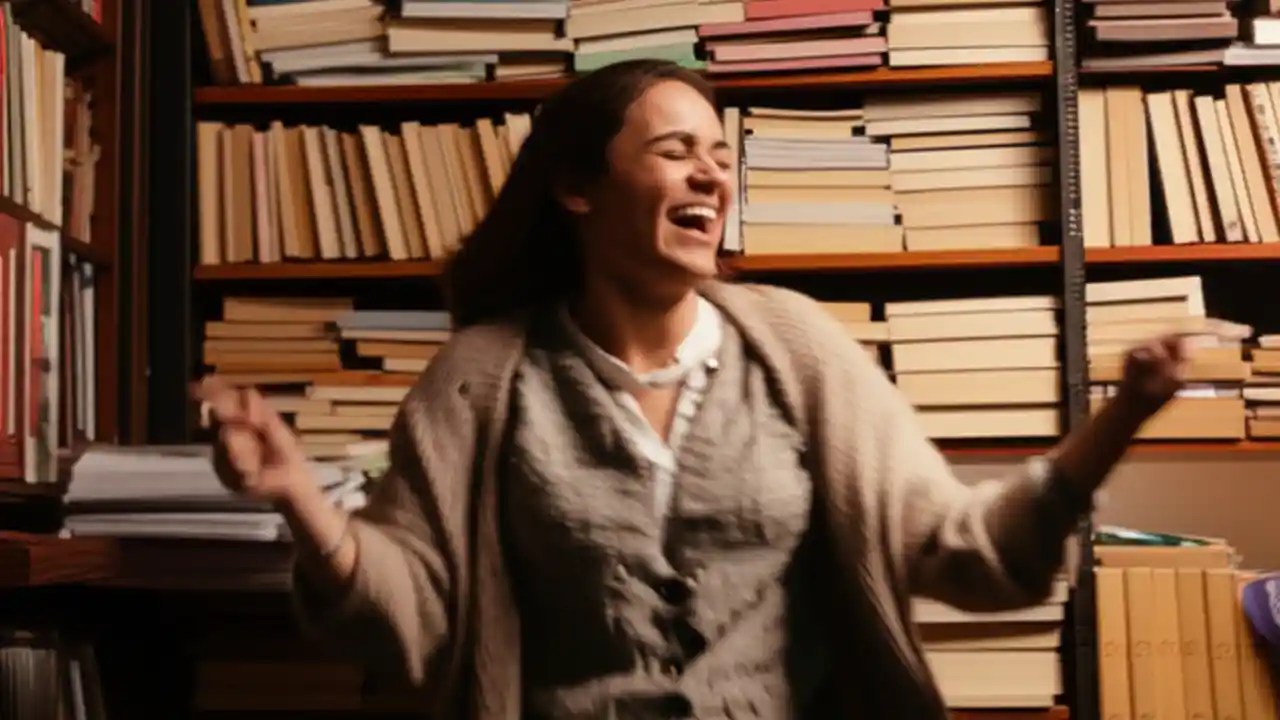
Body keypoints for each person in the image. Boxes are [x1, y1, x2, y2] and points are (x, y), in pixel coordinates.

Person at [194, 59, 1186, 719]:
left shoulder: (796, 348)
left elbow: (962, 555)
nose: (709, 176)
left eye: (719, 155)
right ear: (577, 190)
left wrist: (1118, 418)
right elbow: (410, 611)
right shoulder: (481, 379)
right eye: (674, 153)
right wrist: (293, 495)